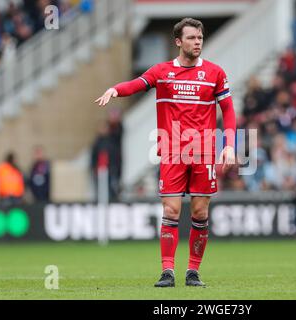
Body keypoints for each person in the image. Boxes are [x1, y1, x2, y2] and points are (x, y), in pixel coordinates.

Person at [95, 18, 236, 287]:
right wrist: (115, 90)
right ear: (178, 41)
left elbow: (228, 111)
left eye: (200, 38)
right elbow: (138, 83)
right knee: (171, 211)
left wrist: (229, 144)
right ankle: (167, 271)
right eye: (192, 38)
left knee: (200, 213)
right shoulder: (162, 71)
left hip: (203, 153)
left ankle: (193, 271)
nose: (197, 42)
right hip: (172, 151)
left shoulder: (215, 73)